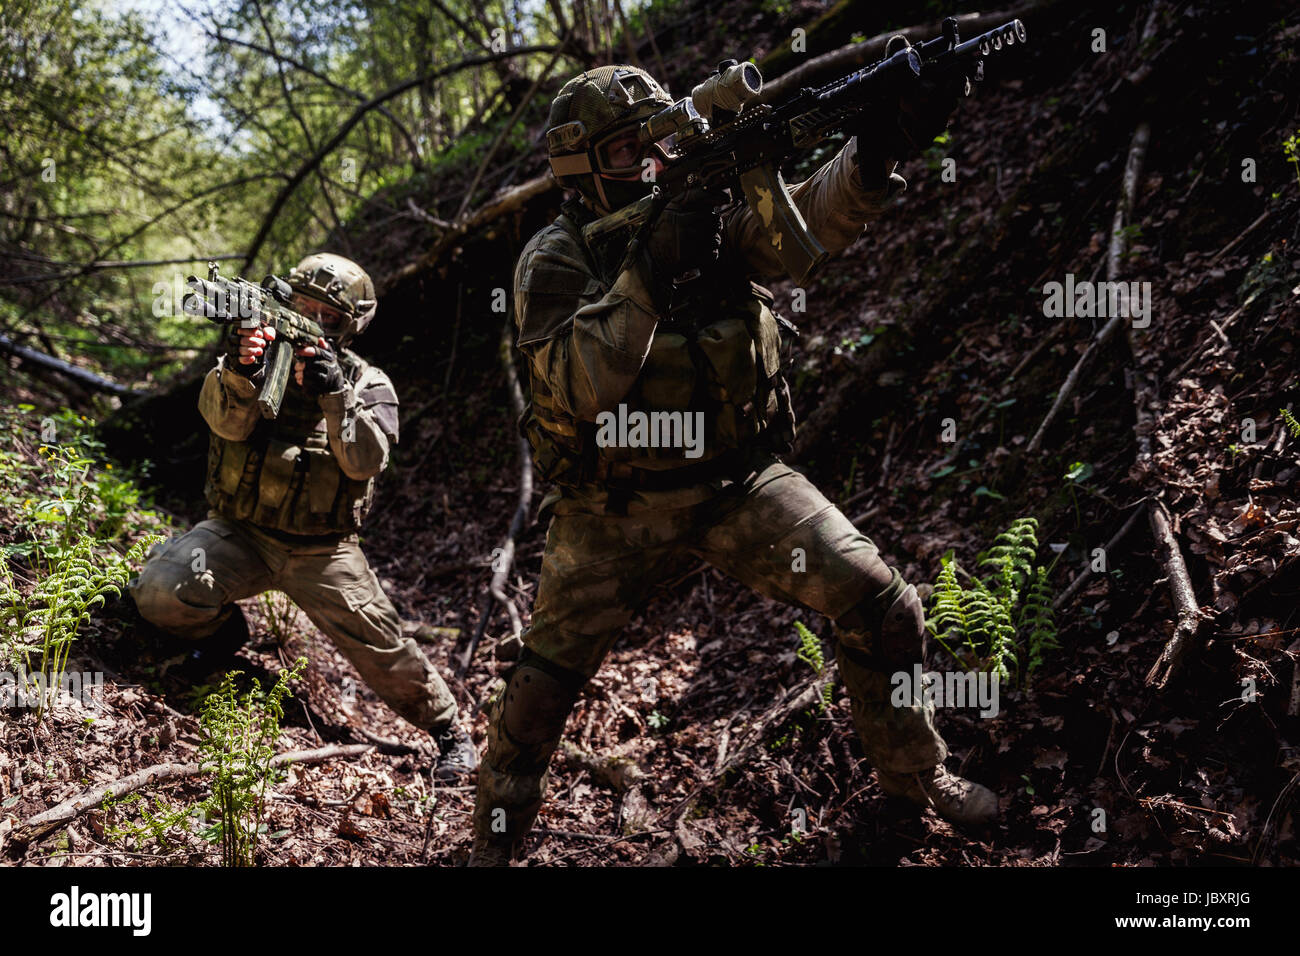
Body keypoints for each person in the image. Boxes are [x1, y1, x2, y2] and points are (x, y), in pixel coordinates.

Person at [470, 55, 997, 864]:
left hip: (734, 482)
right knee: (542, 688)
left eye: (655, 140)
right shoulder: (556, 257)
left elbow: (802, 229)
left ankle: (914, 780)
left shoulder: (703, 211)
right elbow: (580, 386)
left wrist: (877, 151)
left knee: (883, 603)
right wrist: (649, 270)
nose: (649, 161)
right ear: (580, 166)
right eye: (625, 152)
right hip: (611, 509)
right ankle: (494, 839)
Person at [129, 253, 476, 781]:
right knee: (159, 590)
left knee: (383, 647)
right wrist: (244, 373)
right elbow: (223, 426)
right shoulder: (253, 356)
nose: (312, 317)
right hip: (239, 531)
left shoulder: (368, 383)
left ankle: (450, 732)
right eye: (302, 305)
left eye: (328, 315)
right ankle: (220, 638)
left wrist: (336, 396)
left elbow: (366, 461)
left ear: (351, 327)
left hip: (324, 550)